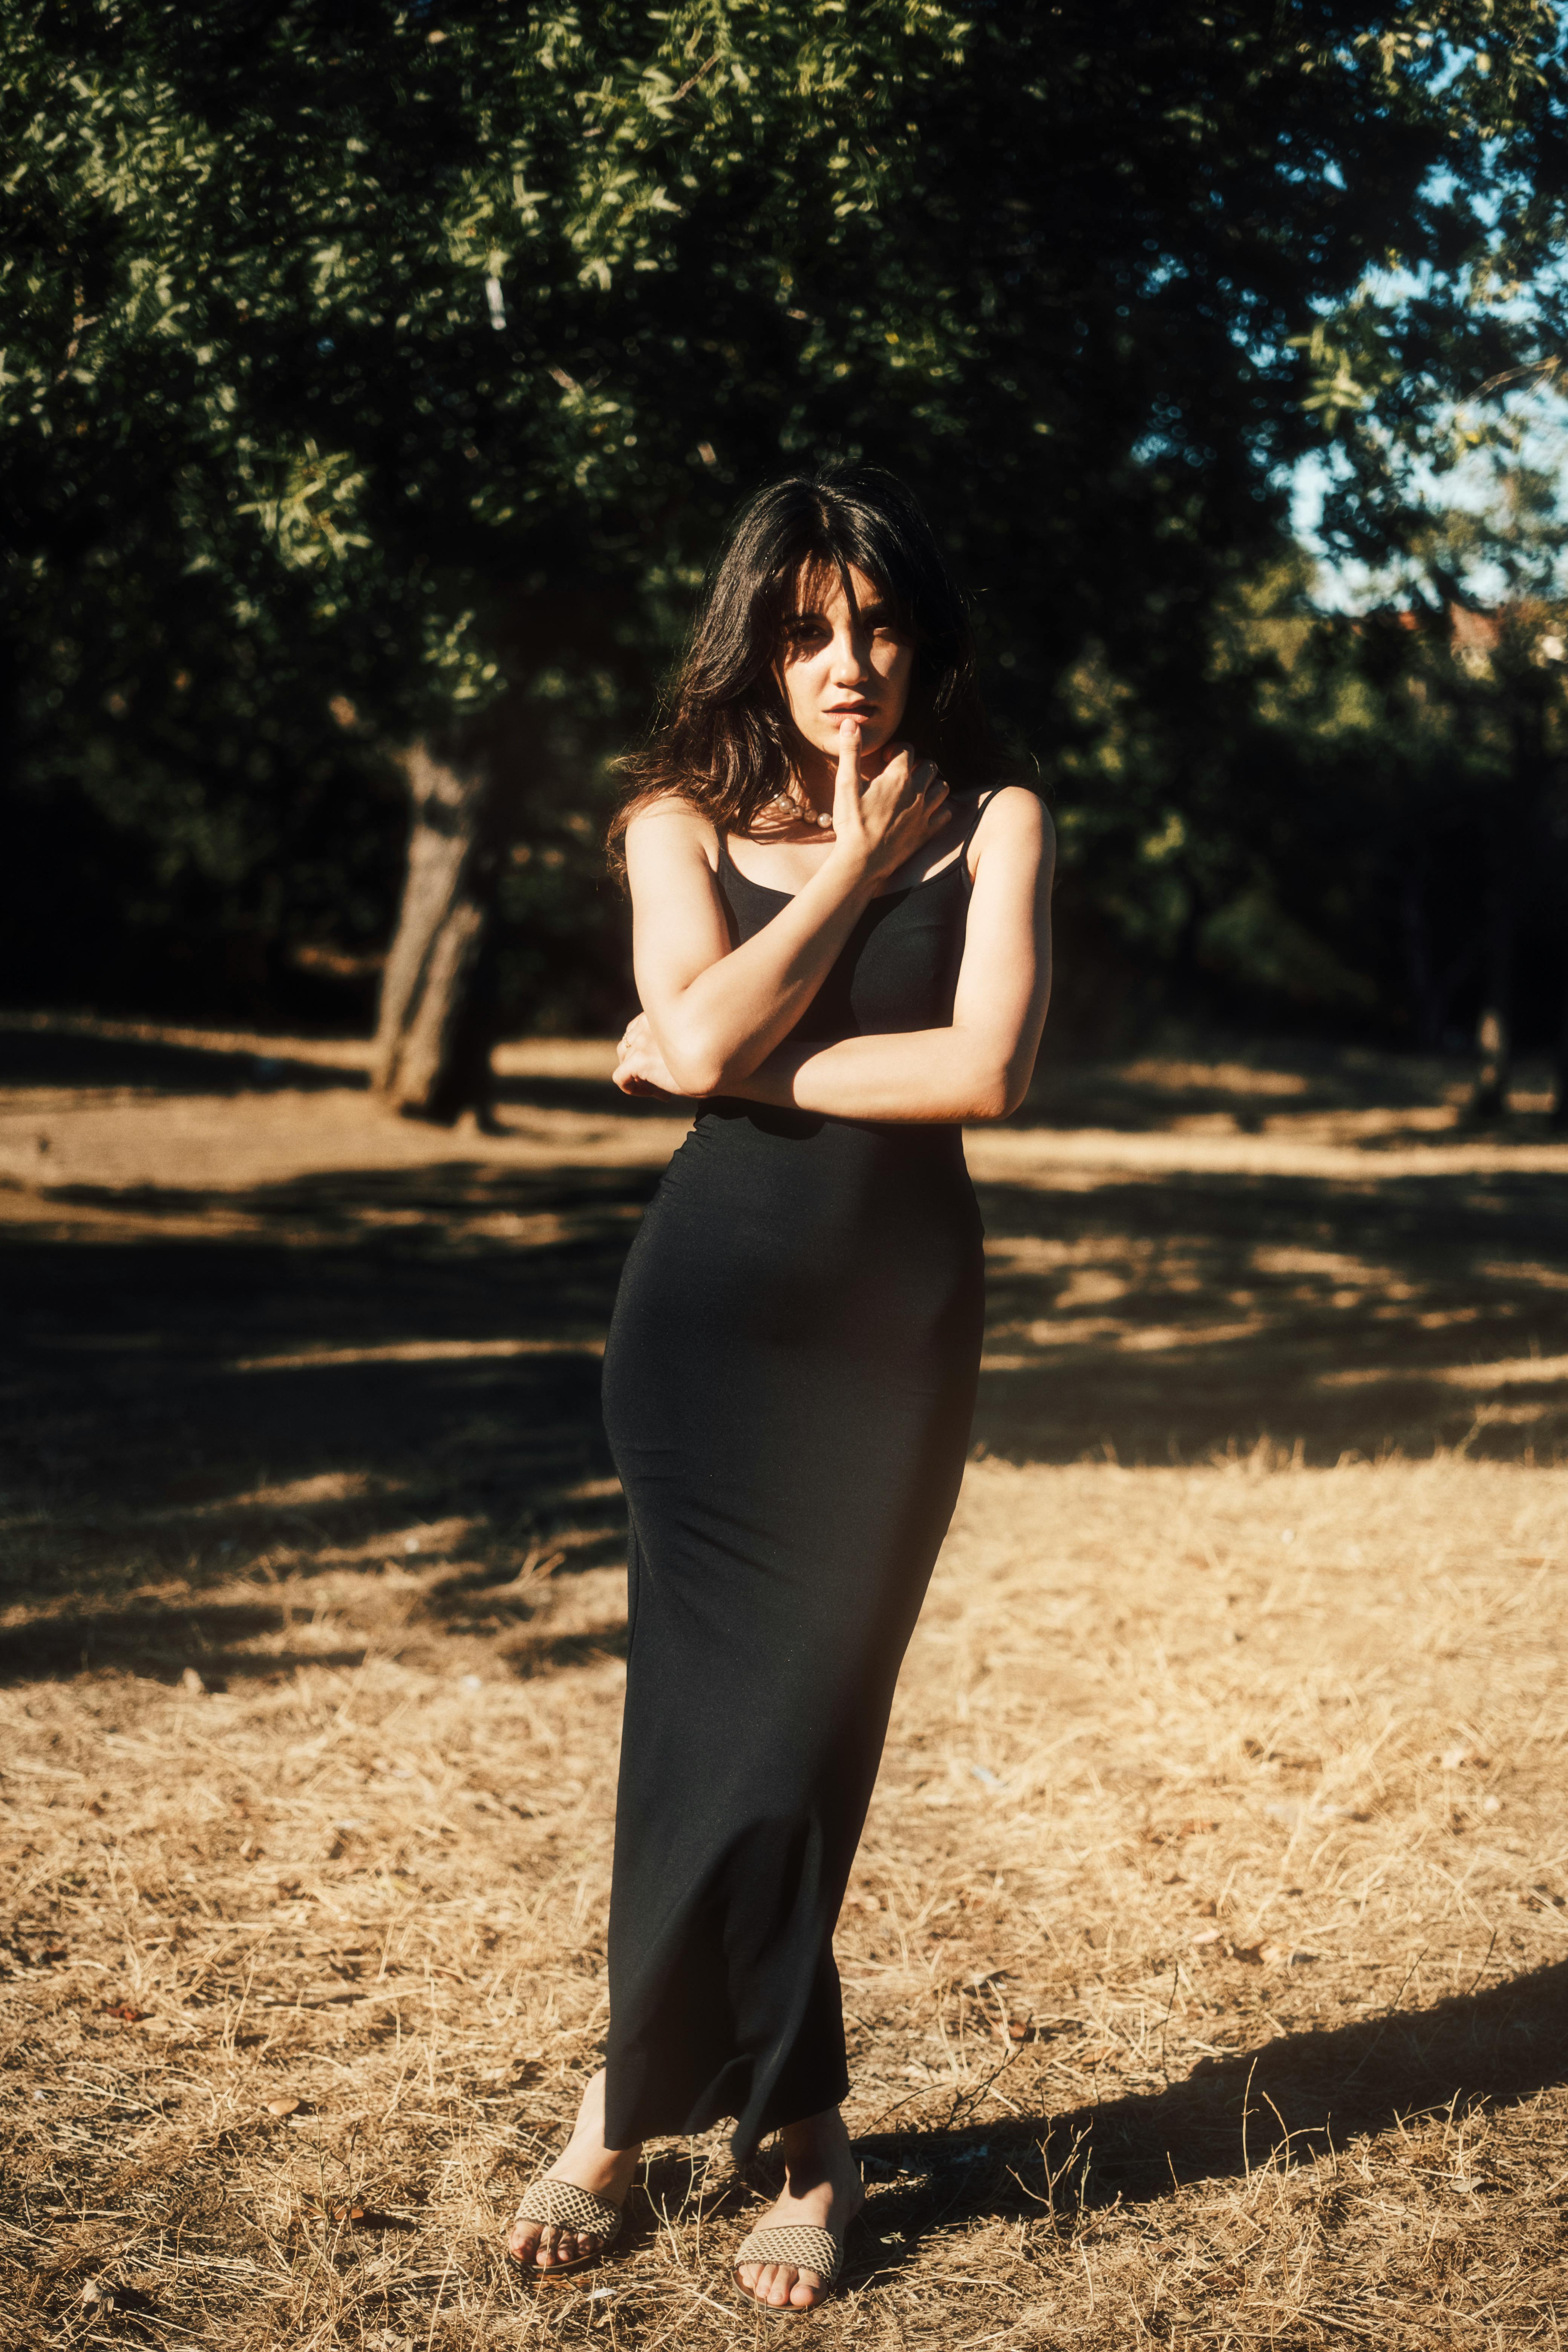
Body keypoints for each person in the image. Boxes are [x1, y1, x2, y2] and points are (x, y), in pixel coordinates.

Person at [506, 462, 1054, 2314]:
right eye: (810, 628)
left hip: (889, 1343)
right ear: (756, 637)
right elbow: (699, 1014)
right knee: (694, 1731)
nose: (847, 663)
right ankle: (727, 2130)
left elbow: (979, 1075)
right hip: (702, 1336)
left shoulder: (1003, 822)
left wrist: (709, 1063)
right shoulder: (673, 823)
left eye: (879, 625)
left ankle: (670, 2118)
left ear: (923, 640)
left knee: (806, 1735)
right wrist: (847, 882)